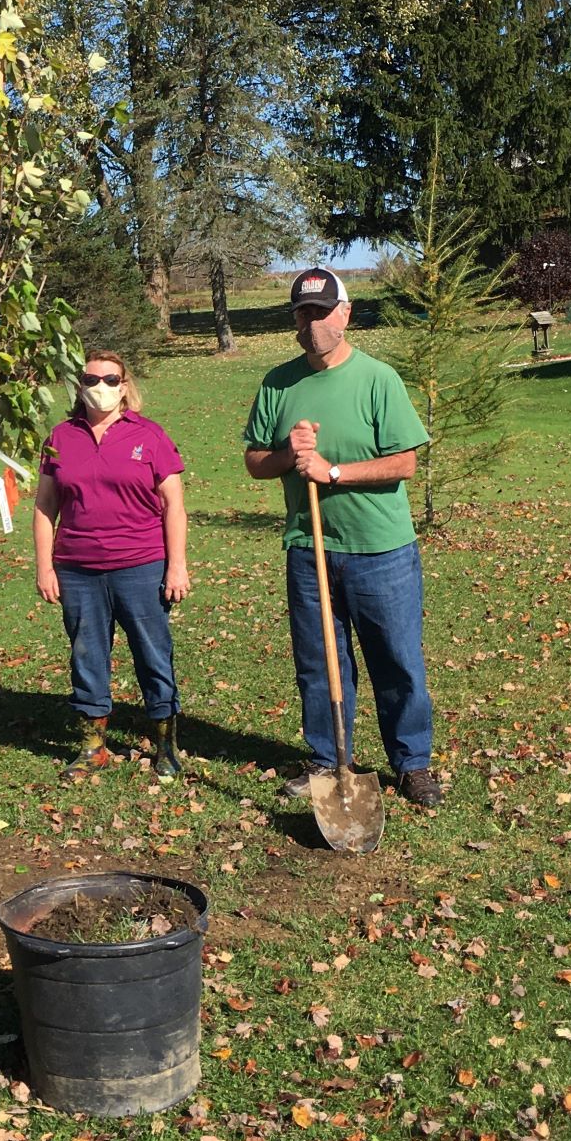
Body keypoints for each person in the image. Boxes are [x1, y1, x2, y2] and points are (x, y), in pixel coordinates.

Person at [243, 267, 442, 808]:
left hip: (380, 549)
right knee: (319, 661)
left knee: (396, 659)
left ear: (345, 313)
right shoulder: (277, 383)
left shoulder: (378, 379)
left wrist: (332, 472)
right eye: (303, 314)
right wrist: (289, 454)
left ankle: (412, 762)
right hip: (310, 548)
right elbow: (256, 461)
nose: (312, 324)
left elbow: (404, 463)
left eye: (322, 311)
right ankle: (328, 759)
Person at [33, 349, 191, 783]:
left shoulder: (151, 436)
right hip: (78, 568)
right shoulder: (60, 437)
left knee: (153, 655)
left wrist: (176, 565)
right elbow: (45, 506)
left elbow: (173, 505)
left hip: (140, 566)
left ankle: (165, 744)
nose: (99, 388)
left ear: (125, 386)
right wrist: (45, 566)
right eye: (90, 379)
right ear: (78, 385)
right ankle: (92, 747)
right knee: (87, 657)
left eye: (109, 379)